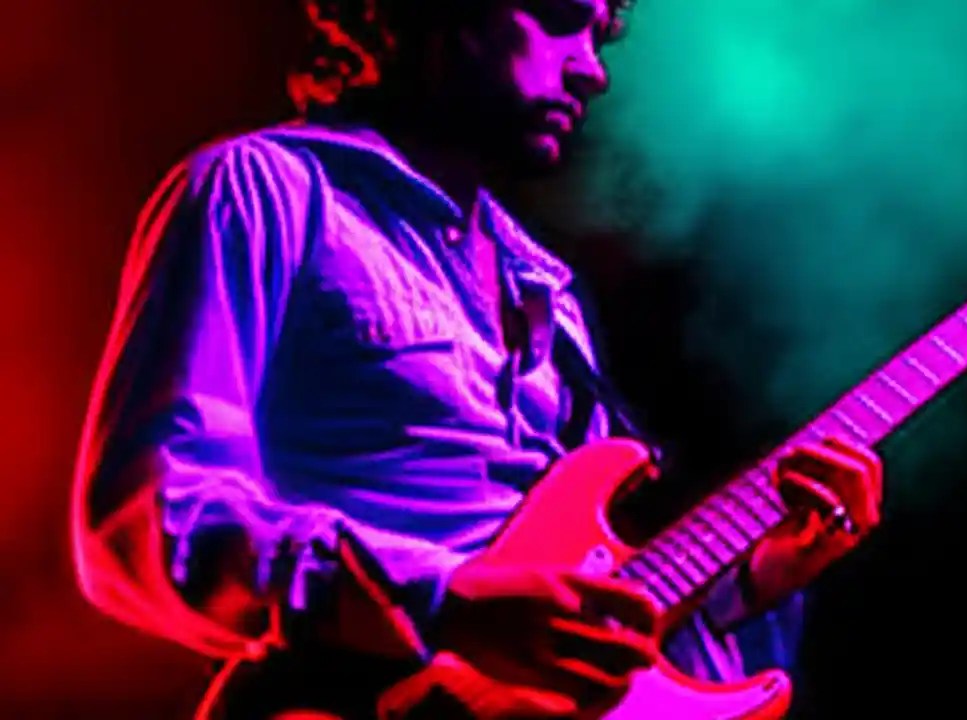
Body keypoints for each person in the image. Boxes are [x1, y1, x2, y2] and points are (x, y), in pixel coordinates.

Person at [70, 0, 885, 717]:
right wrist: (442, 602)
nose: (592, 69)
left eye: (601, 36)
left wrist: (755, 581)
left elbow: (591, 598)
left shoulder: (543, 288)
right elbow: (148, 521)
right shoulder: (264, 190)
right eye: (561, 18)